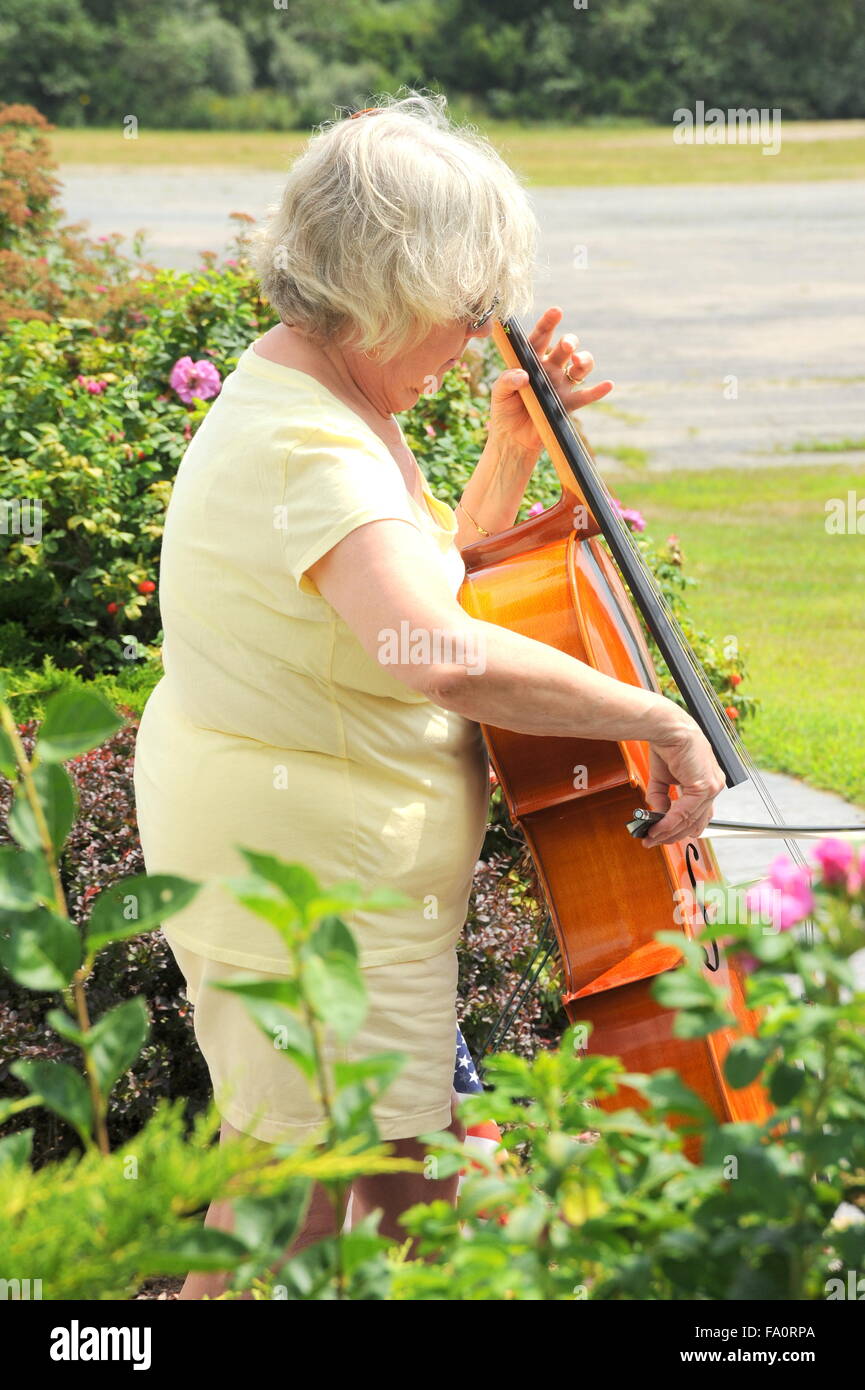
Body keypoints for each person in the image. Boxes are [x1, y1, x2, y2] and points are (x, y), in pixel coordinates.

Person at [133, 92, 725, 1298]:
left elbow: (417, 584)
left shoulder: (329, 402)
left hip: (342, 881)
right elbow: (433, 648)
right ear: (390, 284)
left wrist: (508, 452)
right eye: (462, 315)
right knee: (286, 1208)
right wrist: (658, 718)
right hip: (304, 885)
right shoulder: (311, 442)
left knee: (405, 1183)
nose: (470, 342)